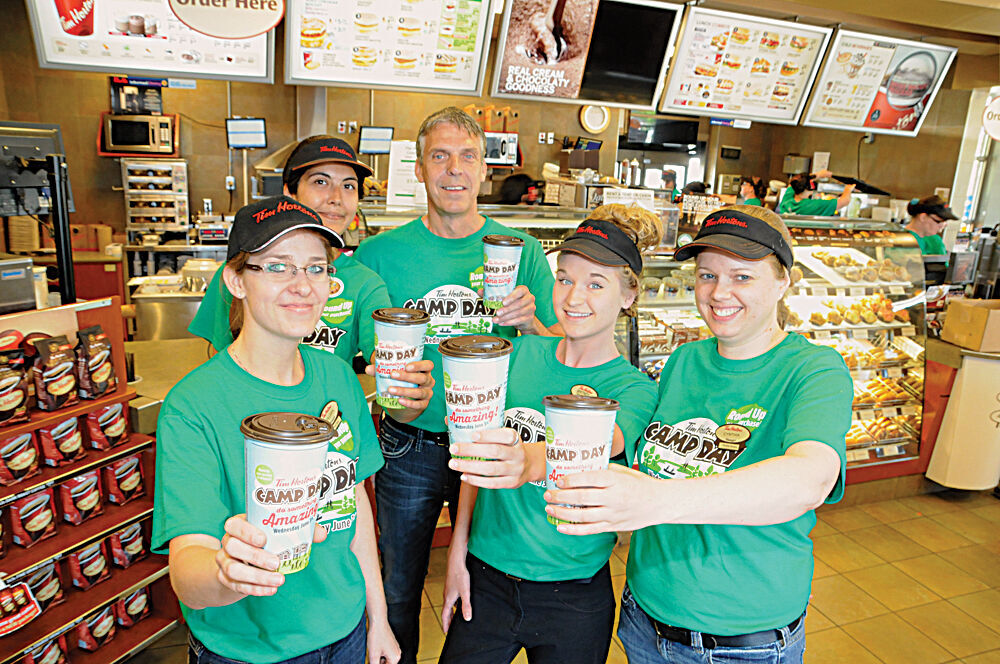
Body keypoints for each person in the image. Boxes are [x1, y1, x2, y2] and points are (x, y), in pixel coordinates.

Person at [544, 205, 852, 664]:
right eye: (707, 275)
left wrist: (654, 501)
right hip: (645, 619)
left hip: (740, 641)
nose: (718, 292)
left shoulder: (813, 369)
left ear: (783, 280)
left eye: (741, 277)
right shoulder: (685, 360)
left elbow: (810, 479)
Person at [154, 196, 413, 664]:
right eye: (278, 267)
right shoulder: (192, 406)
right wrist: (227, 574)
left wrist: (379, 618)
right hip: (249, 650)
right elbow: (187, 565)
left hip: (348, 632)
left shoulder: (337, 379)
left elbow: (354, 505)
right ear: (236, 281)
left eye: (317, 269)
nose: (303, 286)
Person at [354, 106, 561, 664]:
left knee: (488, 583)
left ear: (483, 169)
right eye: (439, 156)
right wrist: (374, 376)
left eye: (468, 156)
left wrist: (532, 323)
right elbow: (355, 352)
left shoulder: (523, 250)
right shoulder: (378, 254)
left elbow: (561, 351)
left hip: (497, 443)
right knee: (399, 584)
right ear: (419, 169)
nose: (454, 169)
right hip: (410, 442)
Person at [438, 205, 660, 664]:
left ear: (628, 296)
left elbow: (599, 445)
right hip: (487, 576)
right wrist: (457, 555)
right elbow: (477, 466)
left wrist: (526, 462)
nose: (574, 296)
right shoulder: (518, 355)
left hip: (575, 594)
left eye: (596, 284)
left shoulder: (635, 390)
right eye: (565, 278)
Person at [188, 137, 394, 370]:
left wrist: (401, 371)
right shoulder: (245, 271)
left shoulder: (365, 284)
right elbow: (218, 359)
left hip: (328, 405)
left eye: (348, 186)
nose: (336, 198)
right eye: (320, 182)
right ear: (290, 193)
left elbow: (385, 352)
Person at [778, 170, 854, 216]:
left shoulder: (787, 198)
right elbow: (844, 201)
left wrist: (819, 174)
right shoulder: (812, 206)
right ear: (810, 186)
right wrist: (849, 188)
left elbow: (794, 182)